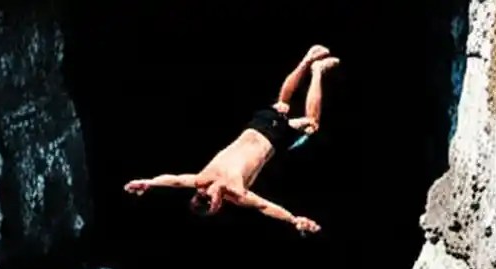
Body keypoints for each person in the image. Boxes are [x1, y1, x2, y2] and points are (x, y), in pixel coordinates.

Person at [123, 44, 340, 235]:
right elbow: (176, 180)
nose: (219, 205)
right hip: (260, 131)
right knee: (282, 103)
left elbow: (264, 207)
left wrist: (149, 182)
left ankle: (316, 69)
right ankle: (308, 62)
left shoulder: (228, 189)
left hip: (269, 136)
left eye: (215, 206)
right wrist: (149, 182)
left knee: (309, 121)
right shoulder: (203, 181)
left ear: (210, 199)